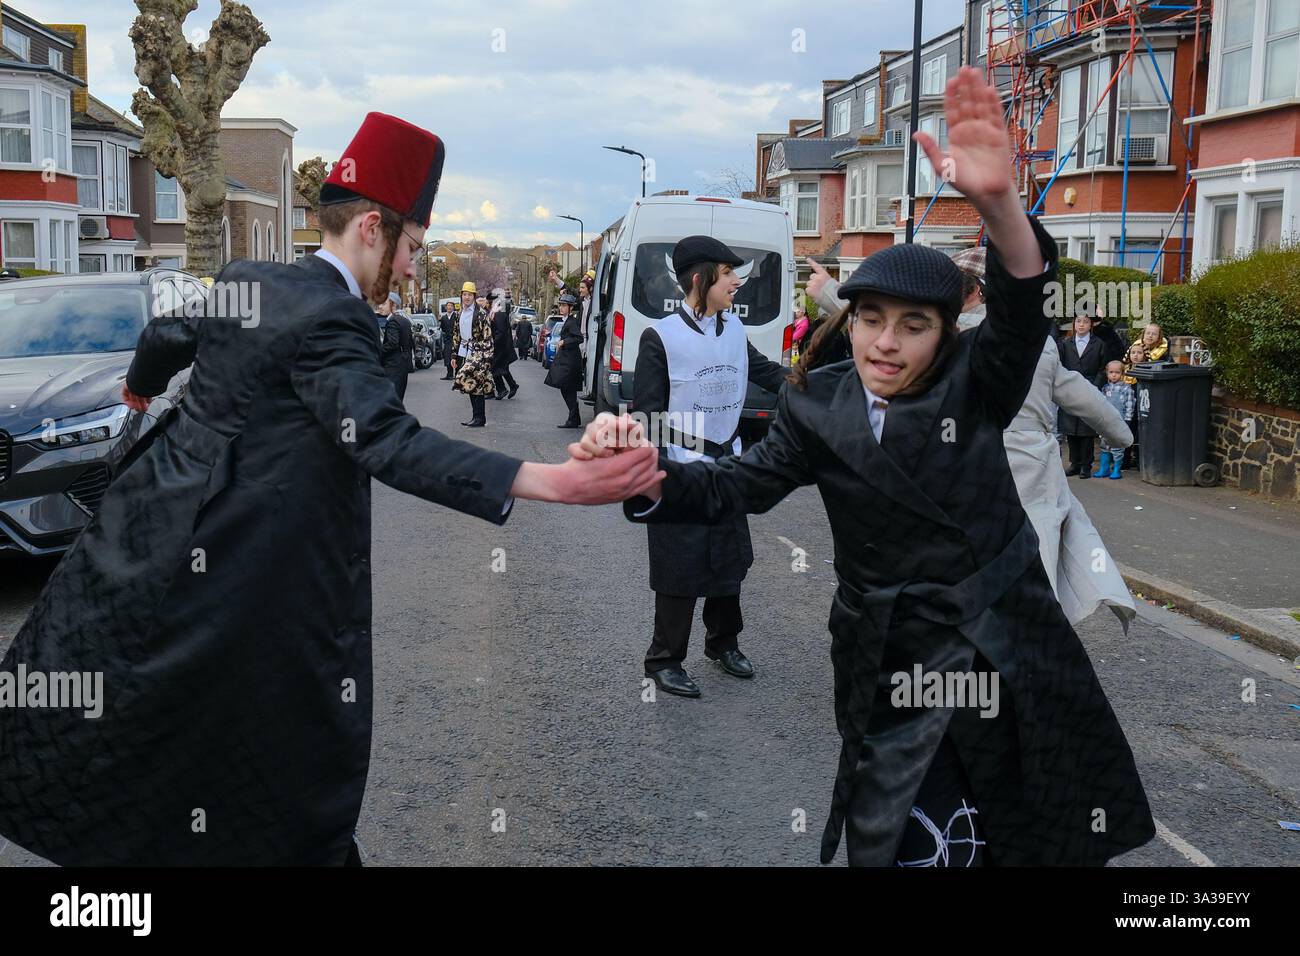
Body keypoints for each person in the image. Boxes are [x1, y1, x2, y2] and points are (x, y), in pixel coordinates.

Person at [0, 110, 666, 867]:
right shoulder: (334, 320)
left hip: (148, 548)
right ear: (375, 229)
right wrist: (553, 479)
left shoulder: (248, 281)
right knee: (284, 770)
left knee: (138, 733)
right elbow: (387, 439)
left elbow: (162, 339)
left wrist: (137, 392)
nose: (415, 268)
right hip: (254, 579)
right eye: (414, 247)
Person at [575, 68, 1154, 867]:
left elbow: (1023, 303)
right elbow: (739, 484)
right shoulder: (820, 406)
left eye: (913, 326)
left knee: (1019, 826)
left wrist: (1001, 208)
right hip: (888, 657)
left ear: (945, 334)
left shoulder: (978, 382)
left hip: (999, 645)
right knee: (900, 837)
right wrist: (644, 477)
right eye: (870, 320)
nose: (885, 342)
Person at [632, 235, 790, 698]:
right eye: (728, 274)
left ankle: (723, 644)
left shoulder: (734, 329)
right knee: (680, 563)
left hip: (728, 462)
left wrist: (817, 386)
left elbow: (763, 371)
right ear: (701, 279)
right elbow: (646, 415)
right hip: (681, 467)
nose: (737, 281)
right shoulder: (660, 336)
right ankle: (664, 659)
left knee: (728, 556)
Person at [951, 249, 1135, 626]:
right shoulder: (1039, 342)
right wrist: (1121, 436)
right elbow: (1080, 394)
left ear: (976, 292)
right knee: (1036, 569)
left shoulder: (946, 337)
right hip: (1033, 468)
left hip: (967, 466)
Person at [1058, 310, 1107, 478]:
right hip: (1070, 388)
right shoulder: (1066, 343)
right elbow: (1061, 365)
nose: (1081, 325)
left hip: (1090, 386)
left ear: (1091, 324)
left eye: (1085, 322)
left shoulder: (1099, 344)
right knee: (1070, 428)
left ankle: (1086, 464)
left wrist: (1095, 386)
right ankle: (1075, 463)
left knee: (1087, 428)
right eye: (1078, 321)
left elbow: (1102, 369)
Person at [453, 281, 495, 427]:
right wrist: (453, 355)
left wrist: (487, 359)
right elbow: (456, 335)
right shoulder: (459, 313)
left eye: (469, 295)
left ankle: (480, 418)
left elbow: (488, 337)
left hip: (478, 353)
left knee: (477, 386)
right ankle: (477, 417)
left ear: (474, 296)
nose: (466, 297)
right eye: (464, 294)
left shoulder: (481, 314)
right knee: (470, 386)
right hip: (464, 352)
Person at [543, 290, 585, 428]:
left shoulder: (571, 322)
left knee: (567, 388)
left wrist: (564, 342)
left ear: (571, 307)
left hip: (570, 361)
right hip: (566, 359)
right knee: (566, 388)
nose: (561, 308)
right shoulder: (567, 321)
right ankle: (574, 418)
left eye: (564, 305)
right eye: (560, 305)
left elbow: (579, 338)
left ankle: (573, 419)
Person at [1096, 361, 1136, 479]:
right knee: (1105, 444)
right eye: (1111, 372)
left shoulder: (1127, 389)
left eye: (1117, 372)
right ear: (1107, 373)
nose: (1114, 375)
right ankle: (1104, 468)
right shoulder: (1105, 388)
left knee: (1117, 446)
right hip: (1106, 421)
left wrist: (1128, 420)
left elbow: (1130, 405)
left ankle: (1117, 469)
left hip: (1119, 421)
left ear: (1123, 374)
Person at [378, 290, 414, 400]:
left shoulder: (393, 321)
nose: (380, 307)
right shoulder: (405, 320)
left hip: (393, 366)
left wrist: (378, 351)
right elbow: (410, 343)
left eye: (384, 304)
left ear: (393, 305)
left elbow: (393, 343)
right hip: (403, 365)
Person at [489, 289, 520, 400]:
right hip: (501, 345)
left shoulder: (499, 313)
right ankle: (512, 386)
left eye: (491, 301)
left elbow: (501, 332)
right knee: (502, 368)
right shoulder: (496, 312)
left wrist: (493, 343)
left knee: (494, 367)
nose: (489, 303)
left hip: (500, 346)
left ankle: (502, 389)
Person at [1121, 342, 1146, 469]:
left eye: (1139, 353)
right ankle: (1124, 459)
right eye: (1133, 352)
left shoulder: (1145, 370)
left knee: (1138, 434)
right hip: (1126, 408)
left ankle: (1138, 459)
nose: (1136, 355)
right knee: (1127, 432)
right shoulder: (1124, 370)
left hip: (1139, 408)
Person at [438, 301, 456, 380]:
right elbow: (443, 329)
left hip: (456, 339)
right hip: (448, 340)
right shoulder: (443, 318)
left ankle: (458, 374)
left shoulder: (456, 316)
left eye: (451, 306)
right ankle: (449, 374)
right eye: (448, 306)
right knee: (448, 357)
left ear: (453, 307)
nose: (449, 307)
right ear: (446, 307)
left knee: (456, 357)